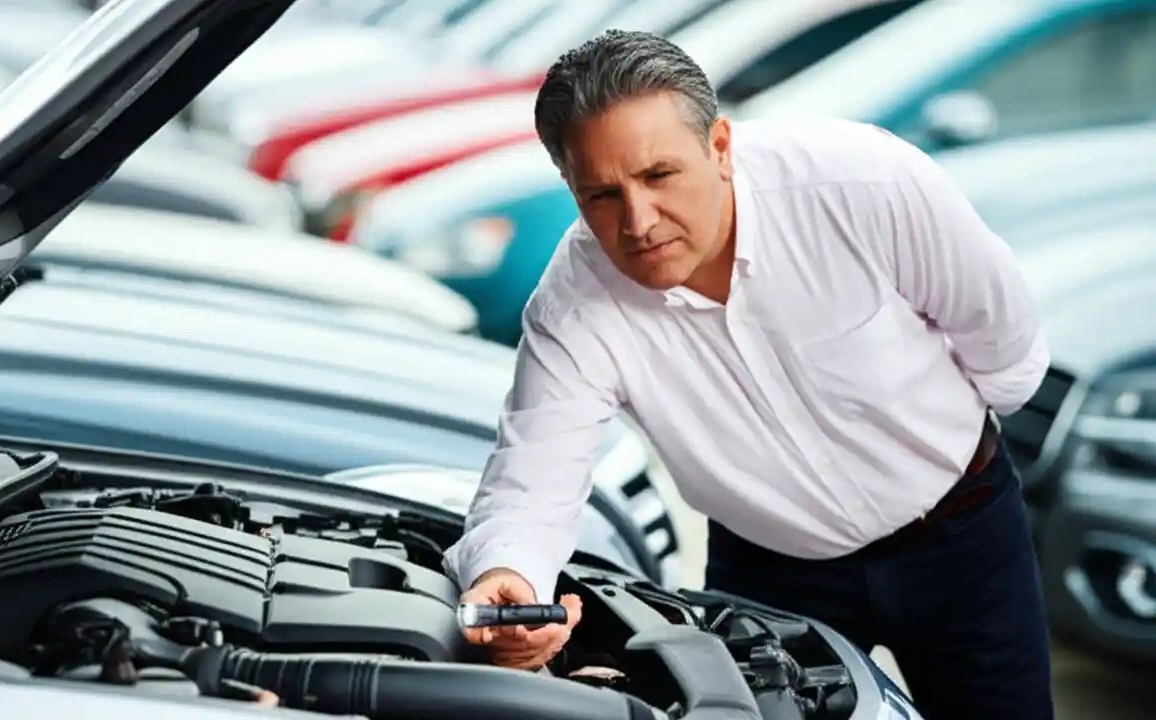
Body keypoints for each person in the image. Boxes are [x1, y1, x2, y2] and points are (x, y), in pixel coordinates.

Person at [441, 29, 1054, 720]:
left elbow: (1003, 340)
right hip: (771, 575)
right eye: (602, 194)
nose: (638, 221)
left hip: (963, 537)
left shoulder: (865, 182)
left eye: (659, 175)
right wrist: (508, 577)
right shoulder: (573, 303)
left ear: (721, 147)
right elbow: (531, 478)